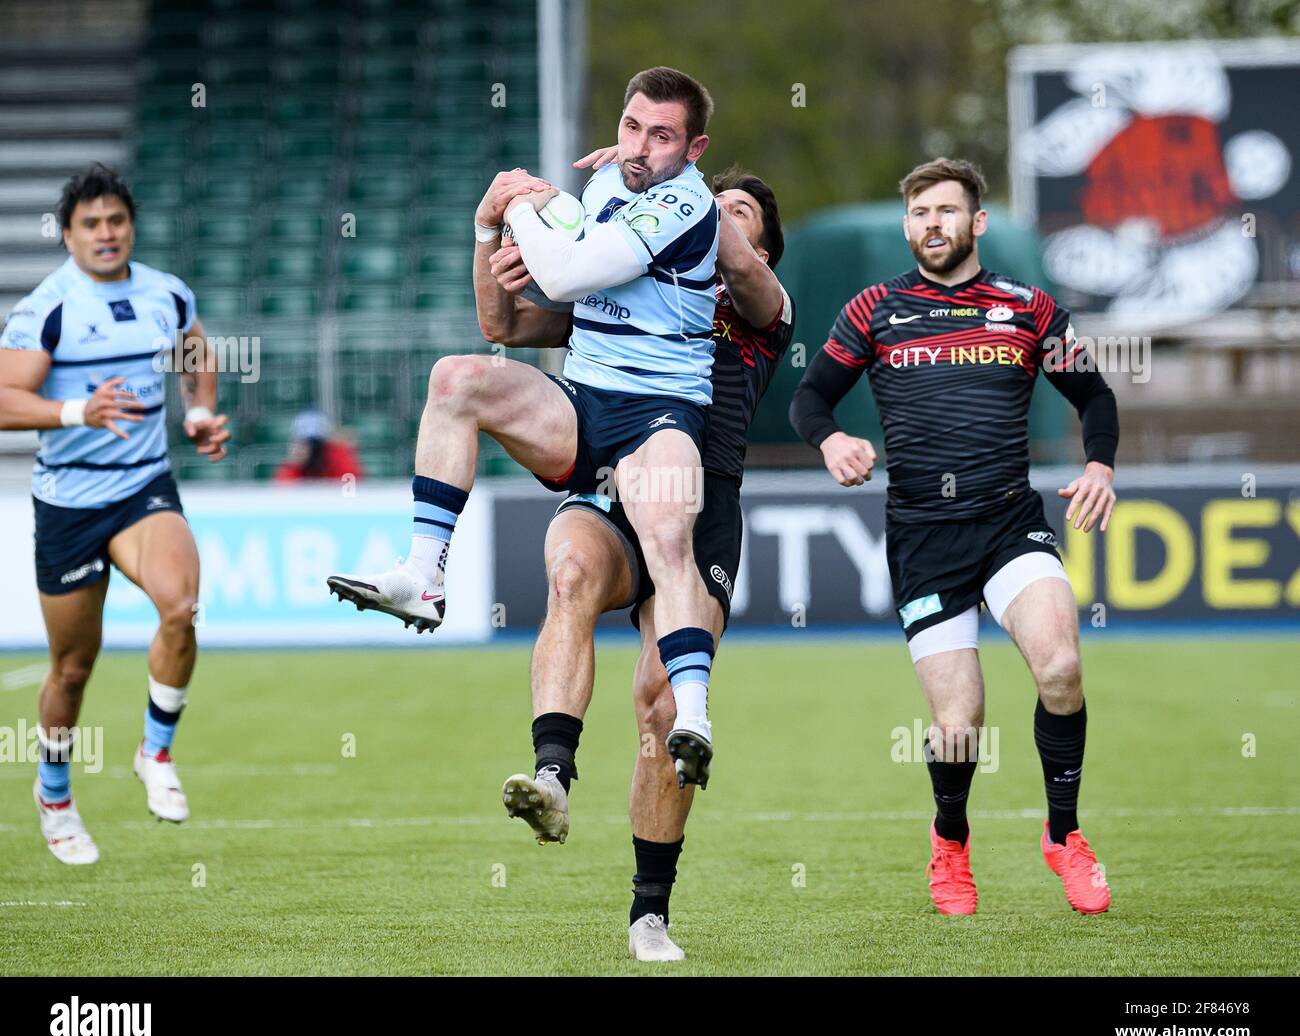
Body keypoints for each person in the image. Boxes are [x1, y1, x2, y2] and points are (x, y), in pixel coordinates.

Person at [328, 67, 725, 787]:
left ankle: (693, 715)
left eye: (662, 136)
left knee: (667, 539)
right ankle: (424, 574)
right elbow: (509, 315)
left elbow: (567, 278)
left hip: (663, 408)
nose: (639, 146)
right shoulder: (610, 180)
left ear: (694, 149)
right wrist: (492, 220)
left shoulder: (685, 205)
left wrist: (527, 206)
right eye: (631, 127)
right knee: (456, 379)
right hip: (586, 401)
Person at [480, 158, 792, 960]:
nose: (722, 215)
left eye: (740, 211)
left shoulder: (762, 311)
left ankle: (649, 910)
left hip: (702, 508)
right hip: (617, 484)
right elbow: (506, 326)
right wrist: (497, 237)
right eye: (714, 202)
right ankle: (552, 774)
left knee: (659, 704)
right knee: (569, 577)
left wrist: (675, 195)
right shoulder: (621, 295)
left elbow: (744, 267)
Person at [790, 157, 1118, 916]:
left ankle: (1064, 836)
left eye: (944, 210)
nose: (929, 224)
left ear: (977, 223)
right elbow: (812, 397)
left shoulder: (1027, 308)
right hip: (923, 537)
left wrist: (1099, 463)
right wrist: (832, 441)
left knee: (1061, 667)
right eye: (918, 213)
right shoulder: (875, 308)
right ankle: (950, 841)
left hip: (1009, 522)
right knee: (958, 722)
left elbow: (1094, 393)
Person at [0, 163, 230, 864]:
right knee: (73, 669)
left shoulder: (164, 292)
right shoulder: (49, 309)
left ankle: (154, 753)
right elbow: (5, 400)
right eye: (91, 225)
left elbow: (196, 346)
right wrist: (78, 410)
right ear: (67, 236)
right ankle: (55, 794)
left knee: (180, 606)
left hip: (141, 488)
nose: (106, 234)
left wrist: (197, 410)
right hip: (69, 501)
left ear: (131, 225)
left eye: (116, 221)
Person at [273, 409, 364, 483]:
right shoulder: (294, 464)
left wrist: (337, 456)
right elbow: (284, 494)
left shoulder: (336, 455)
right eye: (306, 443)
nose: (314, 450)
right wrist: (293, 466)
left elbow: (352, 488)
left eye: (317, 443)